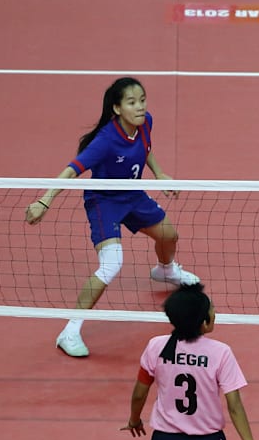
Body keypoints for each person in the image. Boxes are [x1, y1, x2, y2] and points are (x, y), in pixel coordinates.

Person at [25, 76, 199, 357]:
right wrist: (44, 202)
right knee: (111, 264)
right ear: (117, 109)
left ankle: (165, 270)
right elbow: (71, 171)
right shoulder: (105, 141)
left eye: (142, 100)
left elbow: (147, 148)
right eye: (132, 103)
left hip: (133, 194)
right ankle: (69, 330)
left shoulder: (146, 122)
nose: (140, 107)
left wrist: (159, 173)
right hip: (104, 201)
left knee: (169, 235)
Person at [122, 282, 259, 440]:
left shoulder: (156, 346)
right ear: (204, 322)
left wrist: (134, 419)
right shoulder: (221, 353)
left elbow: (140, 392)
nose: (215, 311)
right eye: (212, 309)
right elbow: (235, 406)